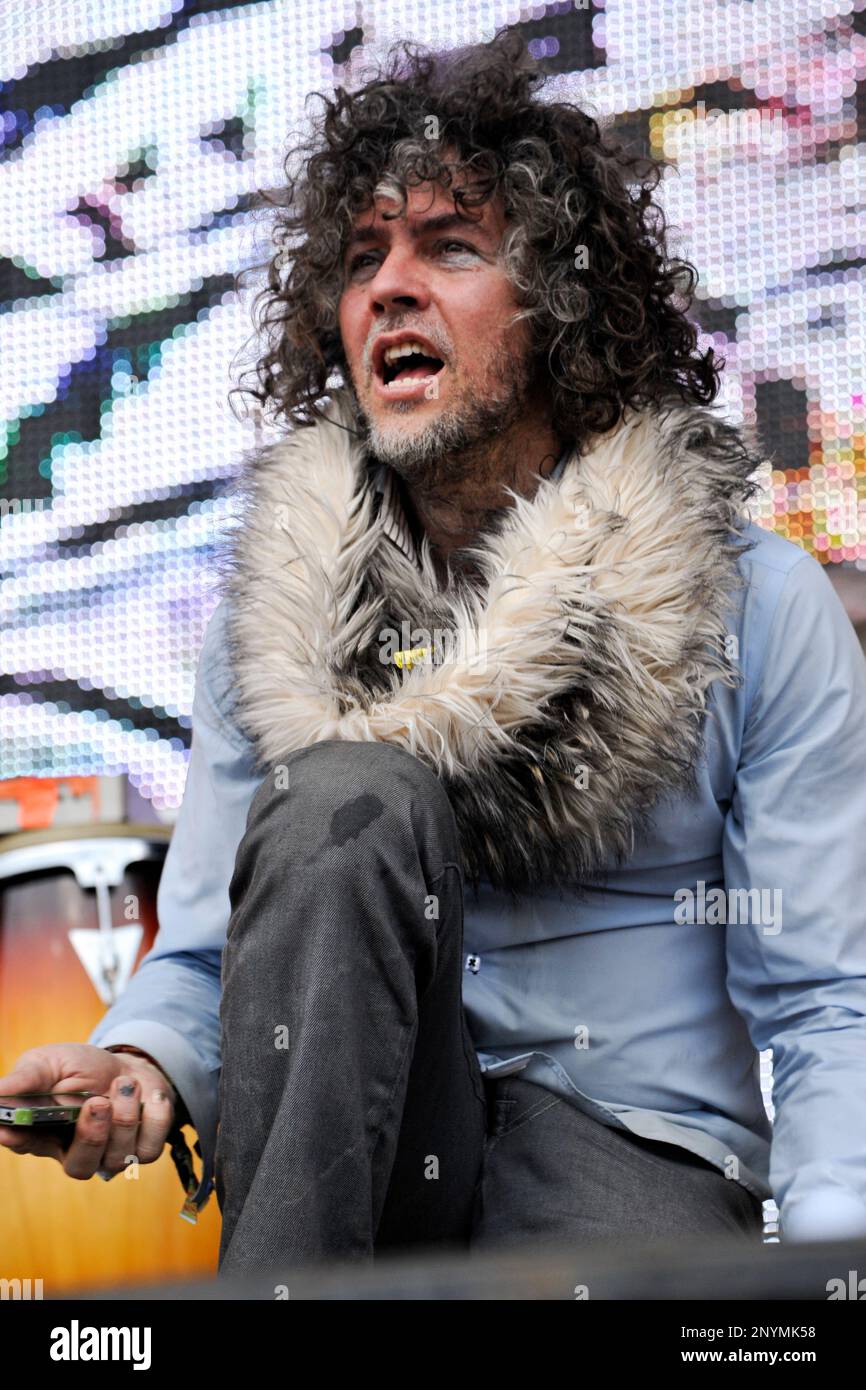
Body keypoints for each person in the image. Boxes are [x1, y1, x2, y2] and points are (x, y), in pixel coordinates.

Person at [3, 29, 866, 1275]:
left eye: (449, 248)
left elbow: (825, 1002)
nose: (387, 289)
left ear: (560, 305)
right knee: (346, 792)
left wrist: (832, 1273)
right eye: (362, 260)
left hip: (635, 1157)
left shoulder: (758, 605)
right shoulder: (274, 617)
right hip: (358, 1160)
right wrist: (138, 1064)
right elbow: (207, 953)